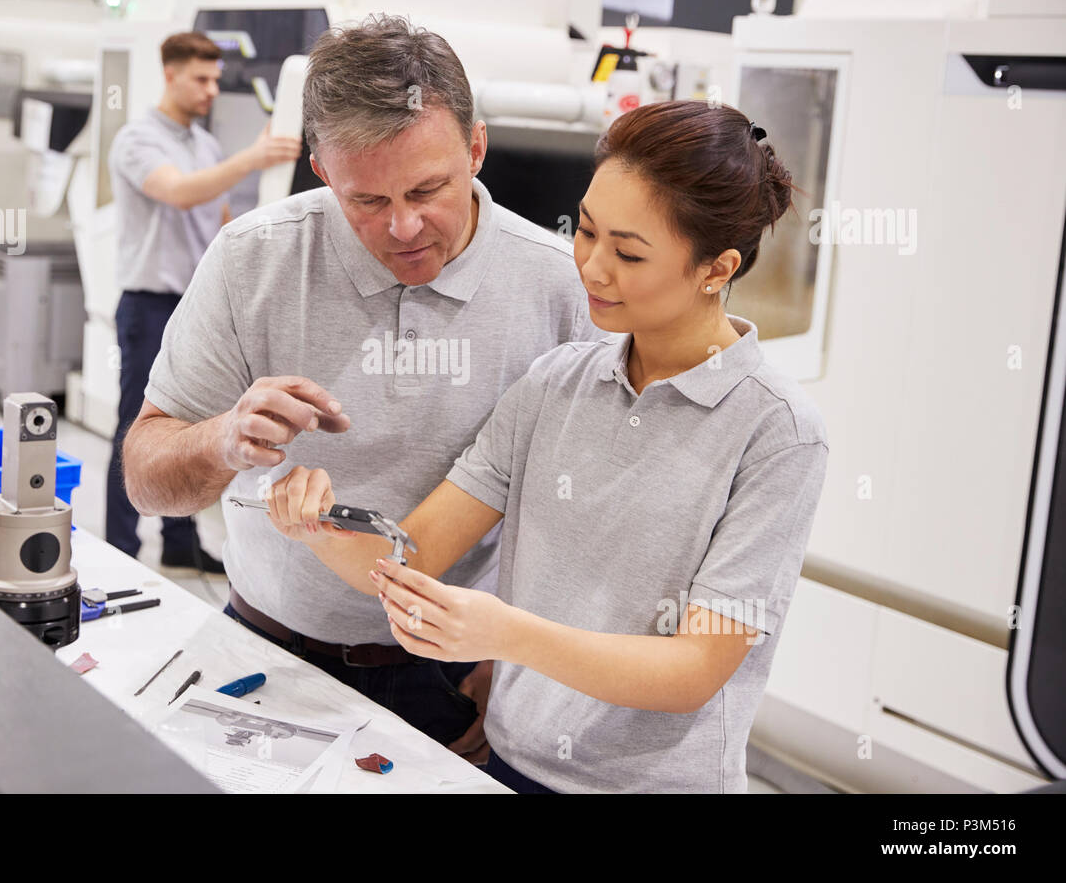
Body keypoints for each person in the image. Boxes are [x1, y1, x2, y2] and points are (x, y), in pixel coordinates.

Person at [263, 100, 830, 793]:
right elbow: (414, 552)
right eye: (586, 231)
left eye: (628, 252)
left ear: (717, 269)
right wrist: (318, 529)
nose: (591, 266)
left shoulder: (776, 431)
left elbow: (694, 672)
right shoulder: (557, 381)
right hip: (508, 767)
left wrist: (506, 636)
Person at [122, 14, 603, 759]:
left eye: (429, 188)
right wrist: (222, 441)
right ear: (321, 170)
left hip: (449, 675)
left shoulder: (561, 287)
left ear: (476, 148)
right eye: (367, 202)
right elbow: (146, 482)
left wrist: (517, 664)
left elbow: (583, 516)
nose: (405, 227)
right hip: (263, 651)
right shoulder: (254, 260)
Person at [106, 31, 300, 572]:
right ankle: (120, 550)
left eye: (217, 79)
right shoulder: (137, 139)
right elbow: (180, 191)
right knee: (140, 428)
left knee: (190, 428)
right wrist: (254, 158)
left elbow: (220, 223)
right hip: (149, 305)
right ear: (169, 73)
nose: (212, 89)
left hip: (195, 306)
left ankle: (179, 543)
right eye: (202, 78)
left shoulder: (205, 144)